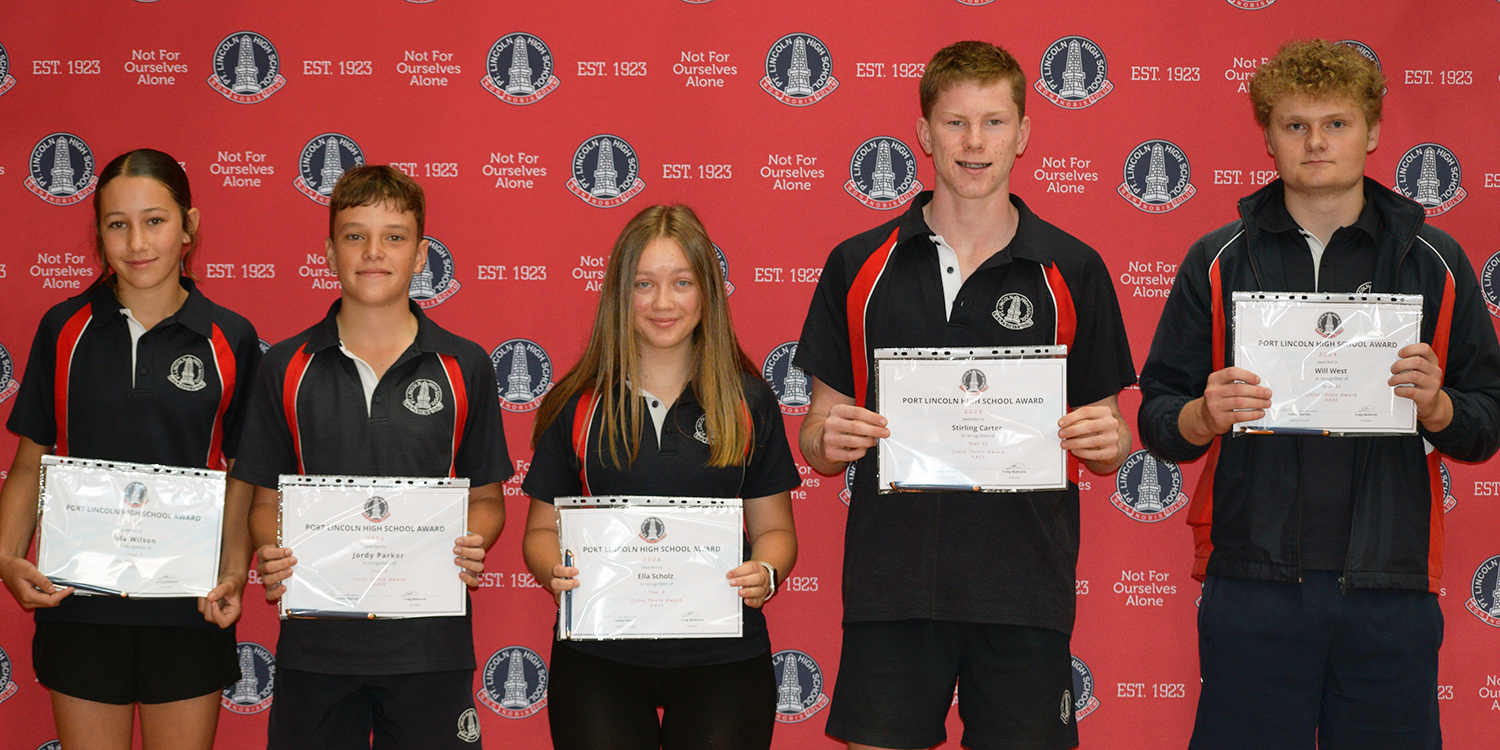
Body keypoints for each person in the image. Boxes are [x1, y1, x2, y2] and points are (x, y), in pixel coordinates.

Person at [1136, 39, 1500, 750]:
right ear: (1268, 137)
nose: (1315, 142)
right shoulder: (1217, 259)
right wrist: (1203, 414)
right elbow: (1157, 416)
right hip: (1253, 582)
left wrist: (1440, 407)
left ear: (1372, 131)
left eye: (1336, 123)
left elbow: (1486, 420)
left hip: (1391, 584)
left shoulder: (1436, 263)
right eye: (1295, 125)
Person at [795, 41, 1135, 750]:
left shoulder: (1073, 268)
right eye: (955, 123)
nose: (974, 142)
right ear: (924, 134)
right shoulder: (858, 265)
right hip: (892, 585)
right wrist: (827, 440)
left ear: (1023, 133)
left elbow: (1108, 436)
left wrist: (1110, 443)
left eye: (993, 122)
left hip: (1024, 587)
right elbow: (817, 436)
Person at [231, 165, 510, 749]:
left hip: (430, 645)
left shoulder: (465, 366)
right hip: (317, 645)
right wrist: (271, 548)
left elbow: (487, 499)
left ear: (421, 254)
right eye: (355, 236)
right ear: (330, 251)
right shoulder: (285, 367)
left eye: (394, 236)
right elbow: (265, 501)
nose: (373, 252)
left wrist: (473, 540)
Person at [0, 148, 261, 749]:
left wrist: (231, 573)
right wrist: (8, 556)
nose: (137, 242)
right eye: (118, 224)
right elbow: (31, 461)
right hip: (79, 601)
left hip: (189, 607)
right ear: (99, 233)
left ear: (189, 226)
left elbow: (242, 475)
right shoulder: (63, 328)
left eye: (155, 221)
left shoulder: (231, 337)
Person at [521, 204, 799, 750]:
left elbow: (776, 530)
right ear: (619, 294)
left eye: (682, 283)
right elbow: (538, 531)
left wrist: (766, 572)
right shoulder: (576, 403)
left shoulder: (748, 402)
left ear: (708, 292)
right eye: (644, 284)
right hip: (598, 653)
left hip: (723, 655)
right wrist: (552, 571)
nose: (663, 303)